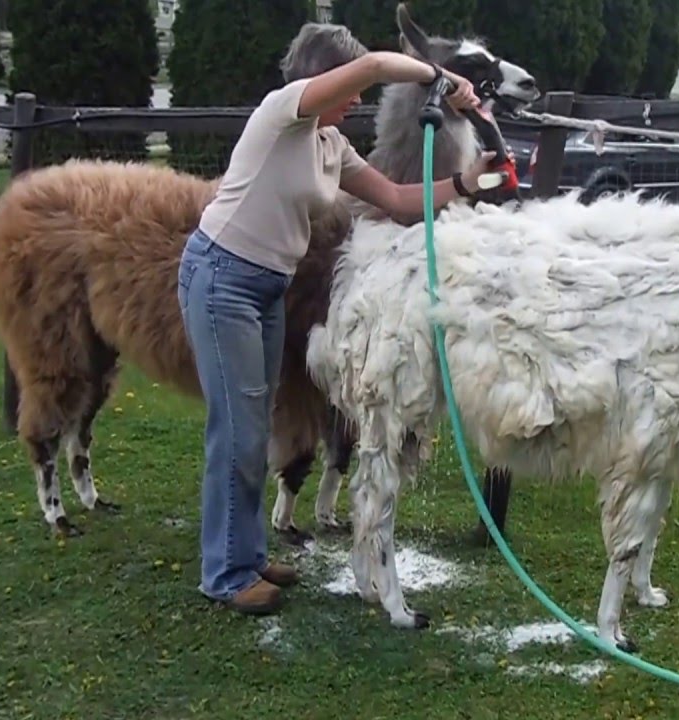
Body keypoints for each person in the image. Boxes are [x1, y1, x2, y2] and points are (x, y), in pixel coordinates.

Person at [176, 23, 494, 616]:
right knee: (239, 430)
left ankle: (244, 556)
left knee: (257, 419)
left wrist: (468, 182)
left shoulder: (330, 146)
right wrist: (439, 77)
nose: (357, 101)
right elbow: (375, 65)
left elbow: (398, 200)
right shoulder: (282, 116)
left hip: (268, 286)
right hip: (223, 278)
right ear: (321, 79)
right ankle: (224, 574)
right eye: (346, 88)